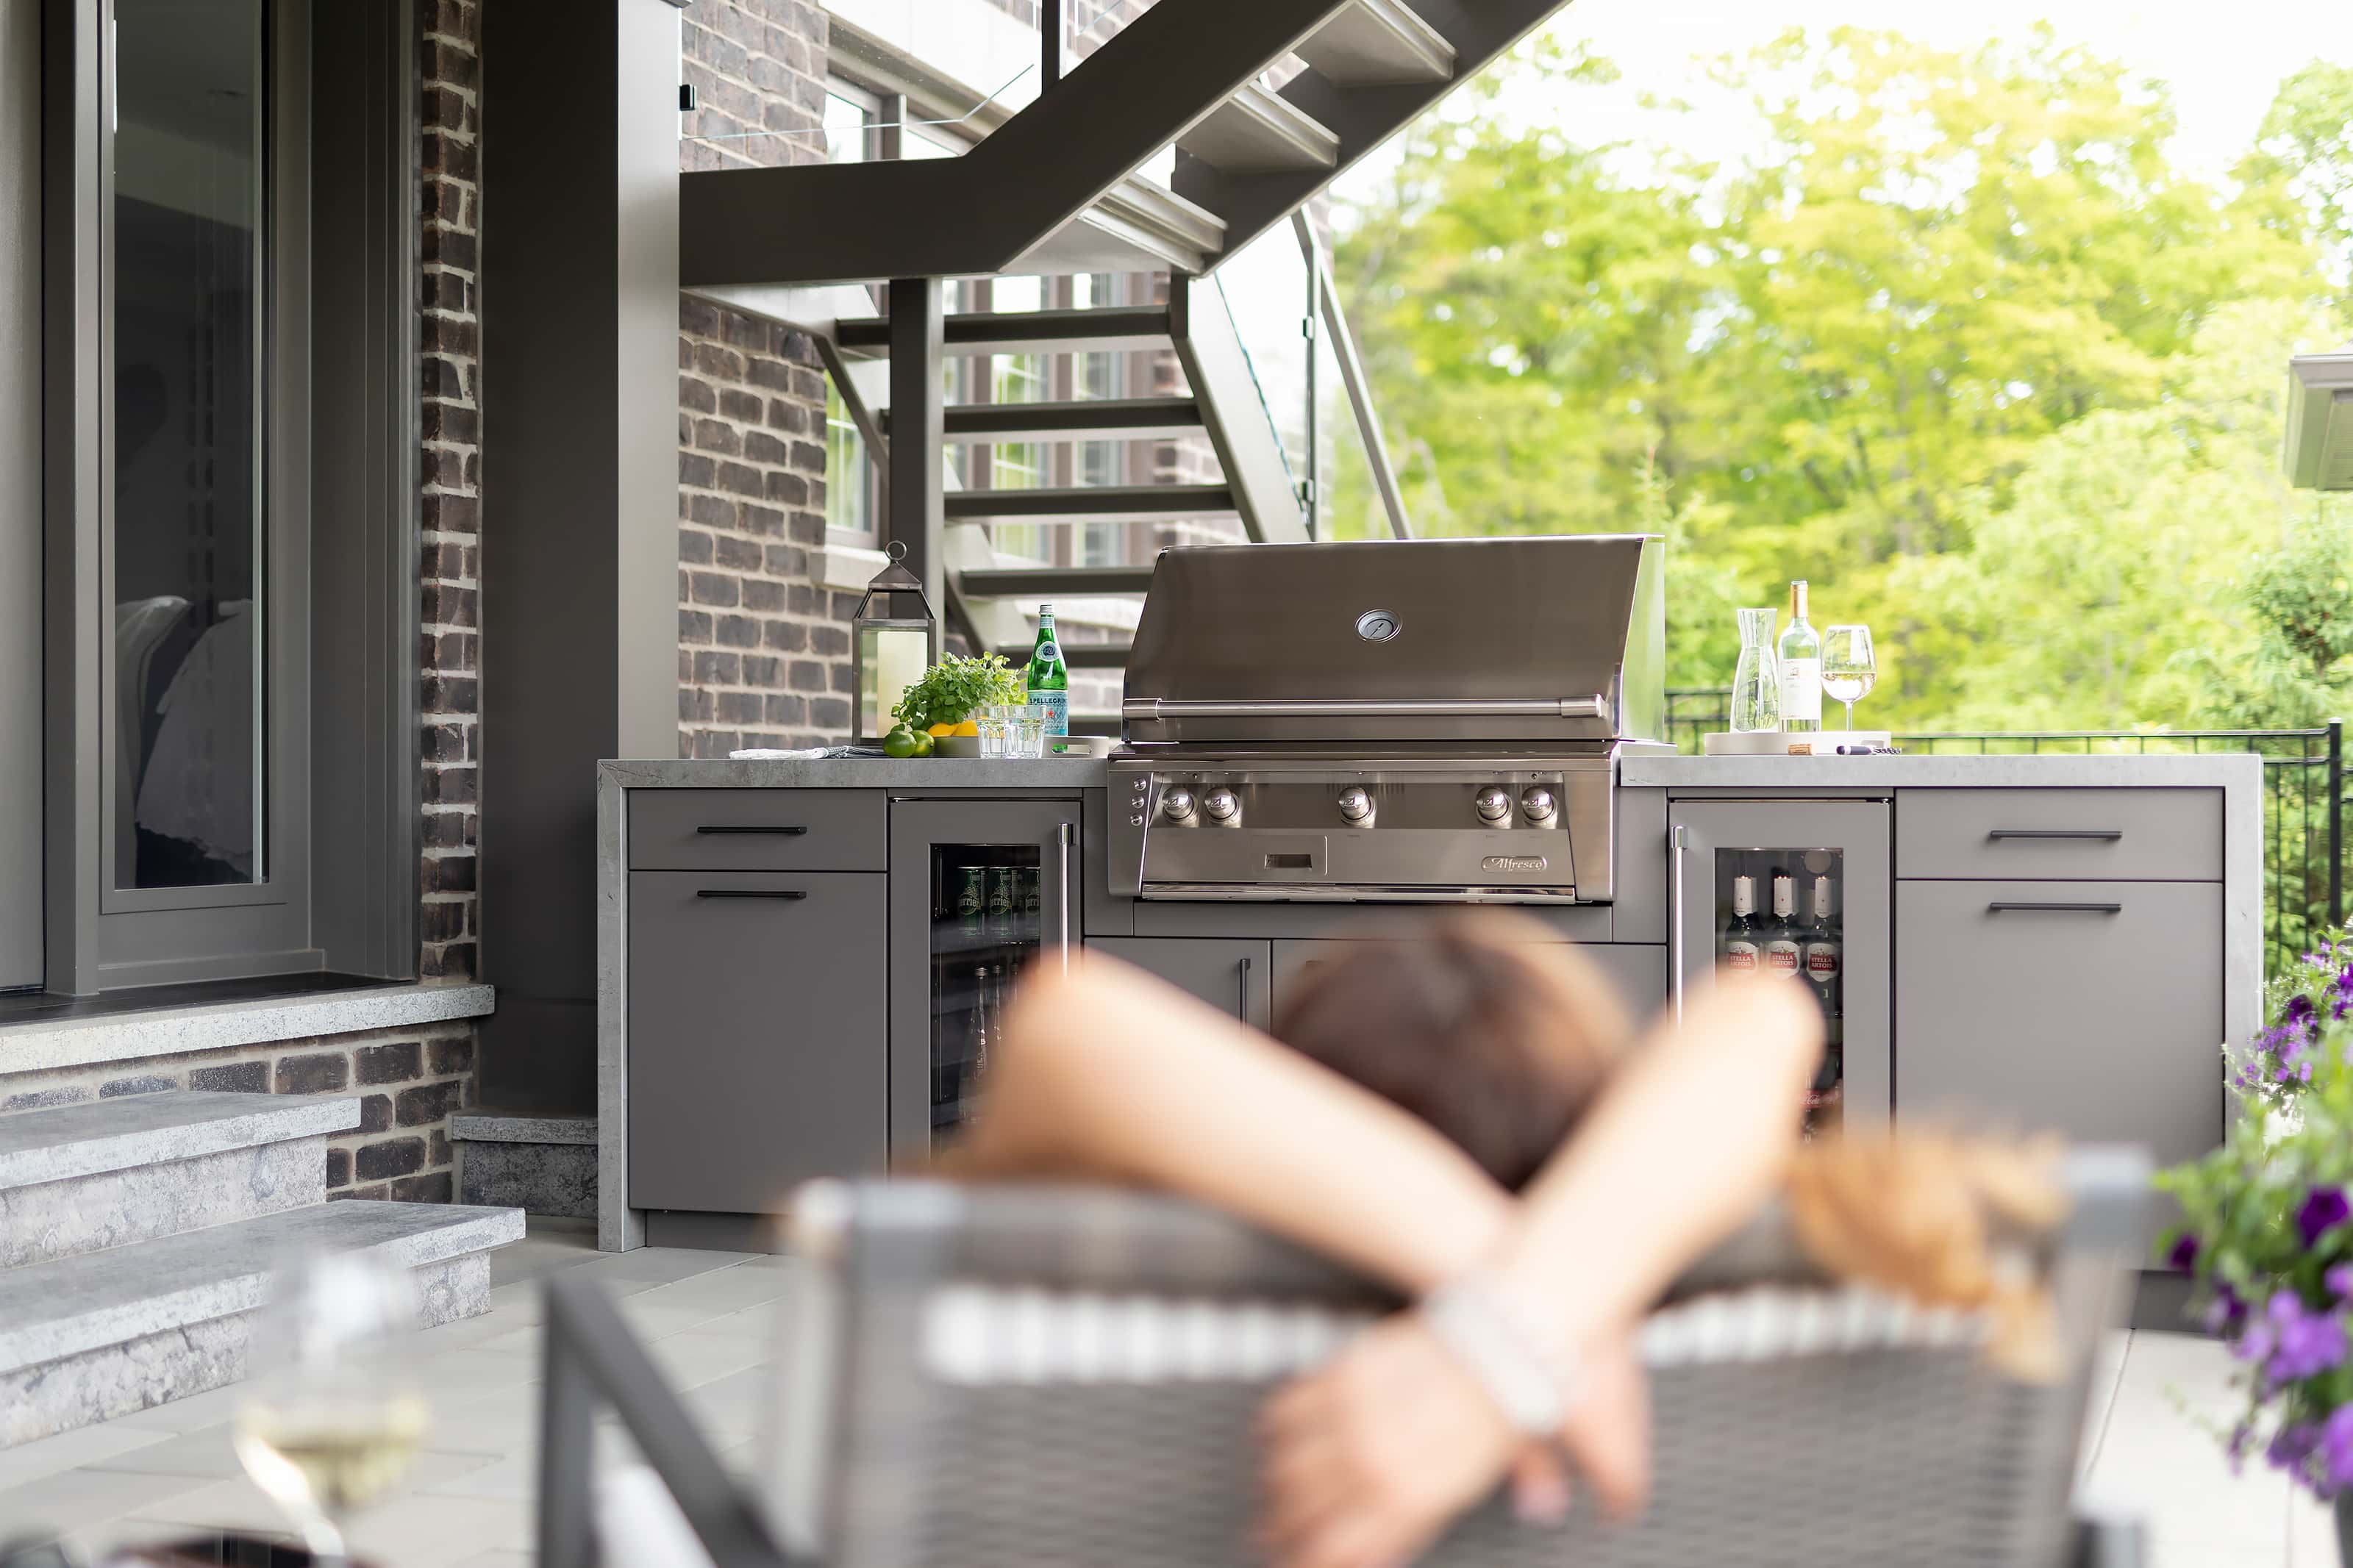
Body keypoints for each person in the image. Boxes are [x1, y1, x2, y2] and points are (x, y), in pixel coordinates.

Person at [960, 912, 2060, 1568]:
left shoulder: (1118, 1374)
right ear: (1600, 1120)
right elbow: (1766, 1012)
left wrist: (1492, 1310)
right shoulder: (1742, 1361)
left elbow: (1065, 1024)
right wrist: (1517, 1313)